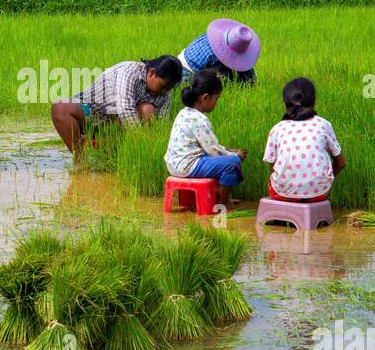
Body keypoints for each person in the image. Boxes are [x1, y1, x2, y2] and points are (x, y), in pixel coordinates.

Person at [51, 55, 182, 155]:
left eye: (168, 89)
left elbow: (161, 124)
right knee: (60, 107)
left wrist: (150, 146)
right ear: (152, 73)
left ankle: (115, 151)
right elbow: (125, 109)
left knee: (147, 109)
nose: (165, 92)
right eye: (162, 86)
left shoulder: (165, 95)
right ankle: (80, 159)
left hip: (115, 125)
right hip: (91, 111)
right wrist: (142, 139)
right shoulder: (129, 72)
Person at [164, 69, 247, 209]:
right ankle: (223, 200)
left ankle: (217, 194)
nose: (216, 103)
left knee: (228, 159)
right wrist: (235, 155)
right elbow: (212, 150)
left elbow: (208, 147)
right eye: (216, 99)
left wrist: (228, 151)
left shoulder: (184, 112)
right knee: (232, 164)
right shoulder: (199, 119)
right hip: (188, 166)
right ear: (205, 98)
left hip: (174, 164)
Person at [262, 77, 345, 201]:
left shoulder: (277, 128)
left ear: (284, 104)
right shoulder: (324, 124)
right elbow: (341, 163)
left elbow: (272, 166)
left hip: (282, 194)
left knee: (275, 181)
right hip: (319, 193)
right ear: (315, 102)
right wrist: (323, 179)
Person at [177, 19, 260, 85]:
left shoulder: (213, 36)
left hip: (178, 61)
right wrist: (252, 81)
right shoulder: (222, 54)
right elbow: (244, 66)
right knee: (231, 69)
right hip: (187, 74)